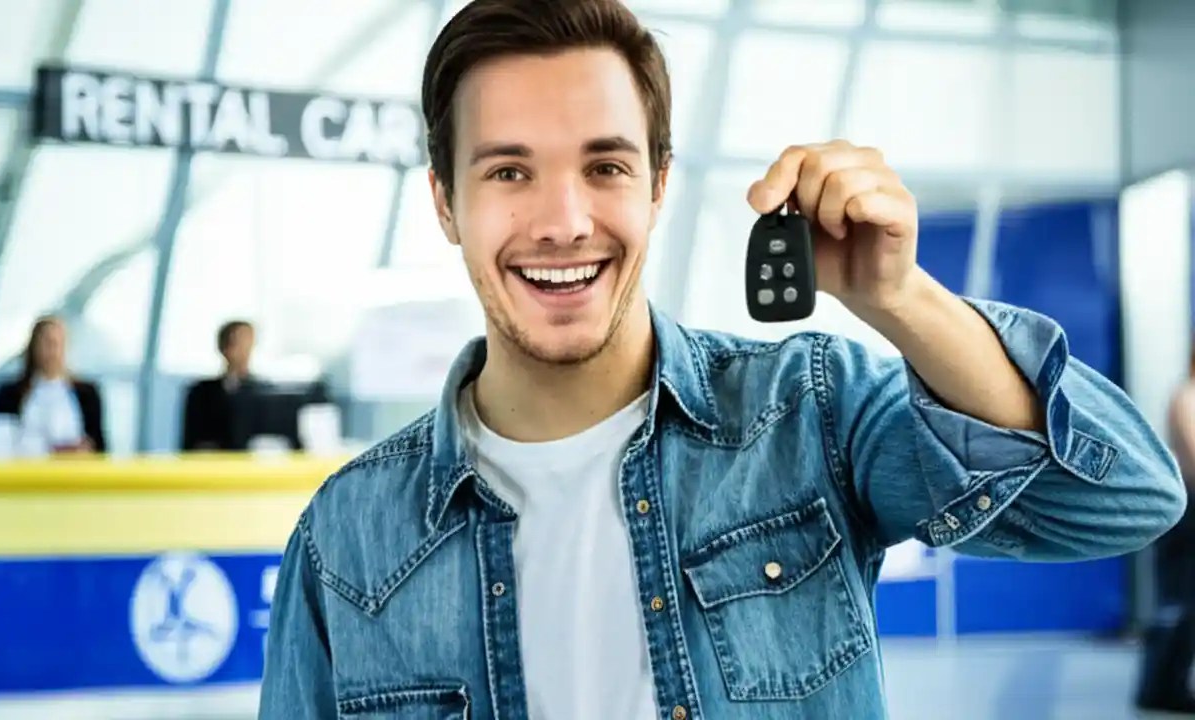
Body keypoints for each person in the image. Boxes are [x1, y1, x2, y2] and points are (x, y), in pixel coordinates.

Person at [259, 2, 1187, 718]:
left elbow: (1129, 496)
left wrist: (901, 297)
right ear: (445, 201)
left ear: (659, 185)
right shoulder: (348, 540)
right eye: (509, 171)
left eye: (605, 167)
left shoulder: (804, 417)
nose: (563, 221)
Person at [1136, 349, 1195, 714]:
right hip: (1188, 517)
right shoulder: (1187, 396)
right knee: (1178, 606)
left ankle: (1169, 684)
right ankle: (1159, 688)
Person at [0, 316, 105, 453]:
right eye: (47, 343)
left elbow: (100, 446)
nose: (53, 351)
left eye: (57, 343)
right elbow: (0, 445)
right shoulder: (9, 394)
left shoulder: (87, 393)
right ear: (33, 347)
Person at [180, 320, 260, 451]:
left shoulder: (263, 392)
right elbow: (191, 442)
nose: (244, 351)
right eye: (238, 344)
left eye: (248, 343)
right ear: (223, 347)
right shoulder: (201, 392)